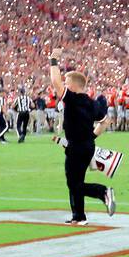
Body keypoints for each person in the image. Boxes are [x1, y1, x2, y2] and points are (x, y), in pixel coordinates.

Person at [49, 58, 115, 226]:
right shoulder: (92, 103)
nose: (65, 84)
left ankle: (103, 192)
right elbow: (105, 122)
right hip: (87, 145)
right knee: (76, 180)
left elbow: (55, 81)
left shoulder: (72, 99)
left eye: (67, 82)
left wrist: (54, 60)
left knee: (73, 183)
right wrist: (92, 137)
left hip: (76, 146)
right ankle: (78, 216)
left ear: (74, 85)